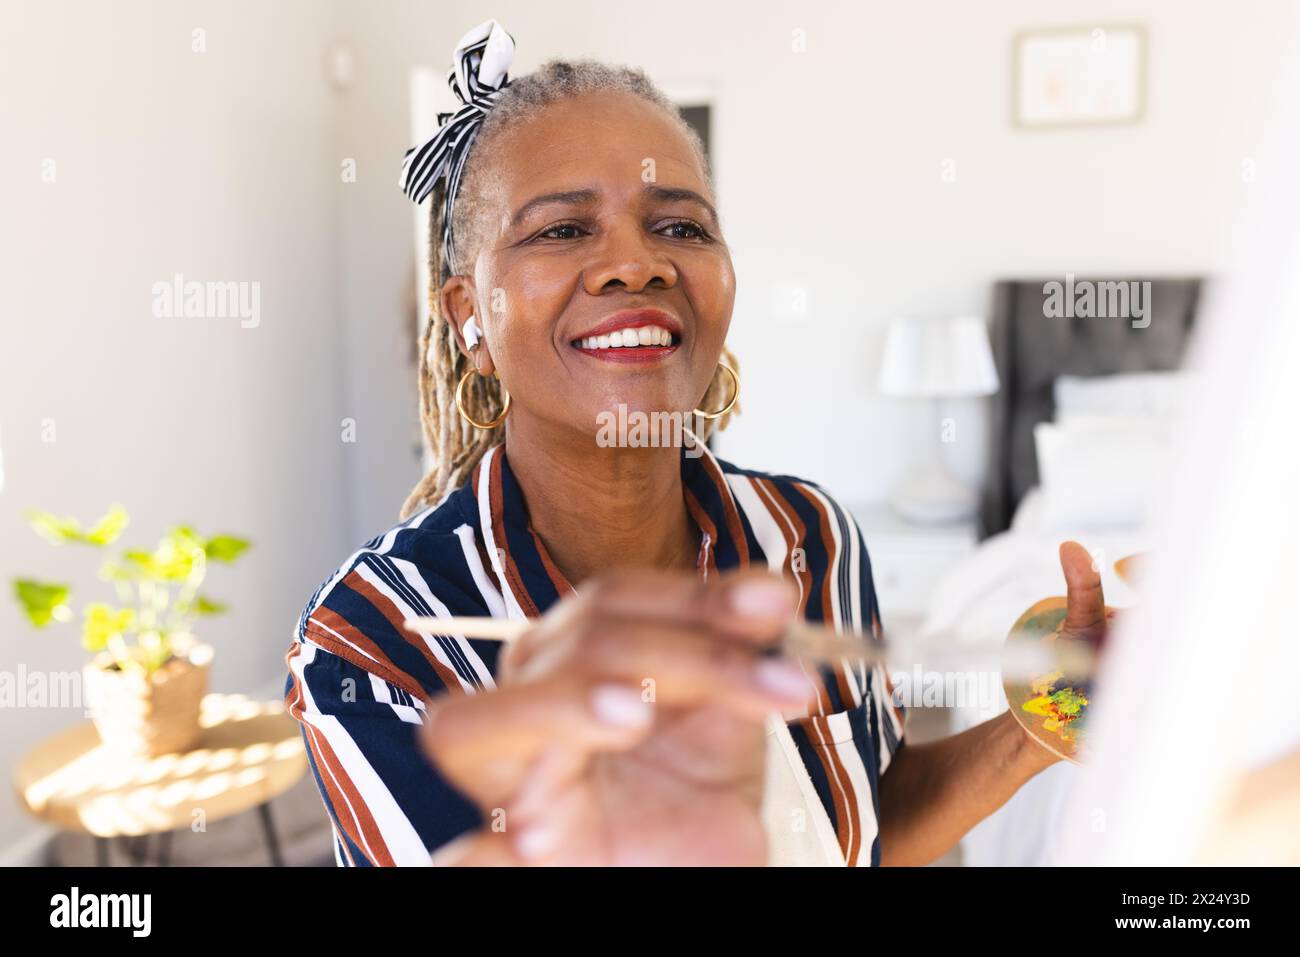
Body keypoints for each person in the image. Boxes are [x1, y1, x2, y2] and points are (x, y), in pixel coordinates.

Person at [284, 19, 1105, 866]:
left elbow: (867, 818)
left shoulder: (809, 537)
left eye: (680, 227)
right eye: (562, 231)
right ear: (469, 319)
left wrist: (1052, 715)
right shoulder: (375, 638)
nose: (635, 264)